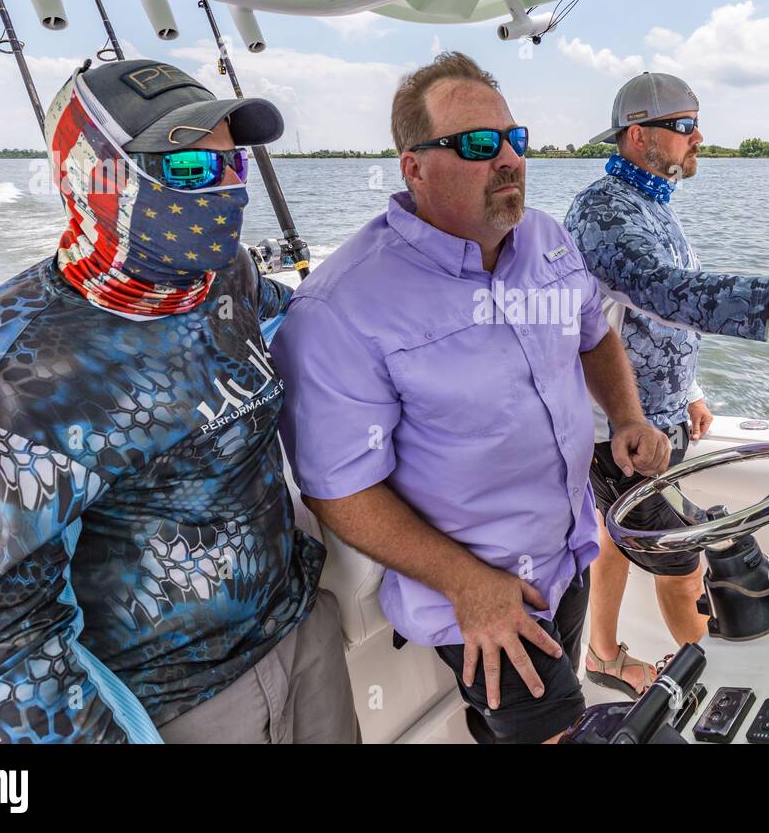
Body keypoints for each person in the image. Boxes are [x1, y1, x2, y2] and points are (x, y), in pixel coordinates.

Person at [0, 58, 357, 743]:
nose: (227, 191)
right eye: (191, 169)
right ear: (95, 177)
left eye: (234, 166)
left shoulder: (225, 276)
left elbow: (306, 327)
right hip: (171, 709)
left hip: (300, 635)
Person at [271, 52, 670, 744]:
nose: (508, 158)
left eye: (516, 139)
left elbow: (592, 336)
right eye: (479, 145)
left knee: (545, 716)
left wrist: (628, 417)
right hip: (477, 591)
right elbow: (338, 491)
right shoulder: (340, 310)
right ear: (414, 167)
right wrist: (466, 584)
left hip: (571, 550)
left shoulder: (546, 238)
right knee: (556, 731)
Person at [565, 71, 769, 696]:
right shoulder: (603, 213)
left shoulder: (649, 205)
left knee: (615, 536)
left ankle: (601, 655)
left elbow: (647, 315)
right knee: (683, 564)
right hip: (616, 427)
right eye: (683, 126)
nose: (699, 136)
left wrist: (690, 389)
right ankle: (723, 692)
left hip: (658, 419)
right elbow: (664, 290)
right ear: (640, 136)